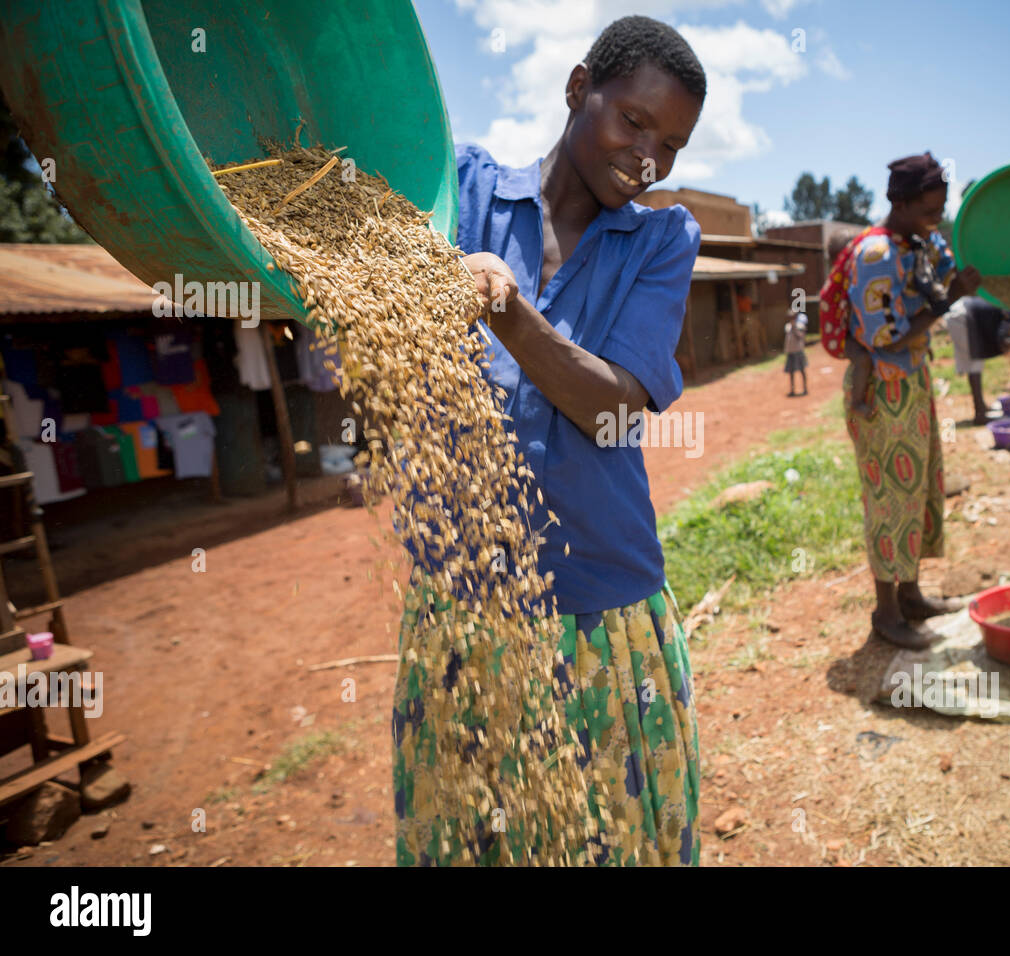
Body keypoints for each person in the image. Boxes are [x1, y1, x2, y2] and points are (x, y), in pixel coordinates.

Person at [393, 15, 706, 867]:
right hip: (466, 614)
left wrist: (509, 310)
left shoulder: (661, 241)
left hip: (600, 610)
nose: (648, 159)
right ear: (578, 89)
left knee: (609, 840)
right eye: (632, 122)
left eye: (671, 144)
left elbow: (611, 411)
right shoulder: (460, 193)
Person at [828, 152, 983, 649]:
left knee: (917, 489)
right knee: (889, 499)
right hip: (882, 390)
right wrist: (950, 298)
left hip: (912, 382)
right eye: (929, 210)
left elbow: (953, 271)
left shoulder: (921, 241)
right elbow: (885, 337)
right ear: (899, 202)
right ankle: (887, 612)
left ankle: (912, 595)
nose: (937, 220)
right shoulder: (876, 256)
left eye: (941, 210)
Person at [783, 309, 808, 396]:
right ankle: (792, 390)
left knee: (802, 370)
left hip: (798, 351)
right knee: (791, 372)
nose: (791, 318)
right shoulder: (787, 326)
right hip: (790, 352)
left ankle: (805, 388)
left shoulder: (800, 325)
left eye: (792, 317)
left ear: (796, 317)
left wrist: (794, 328)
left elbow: (801, 336)